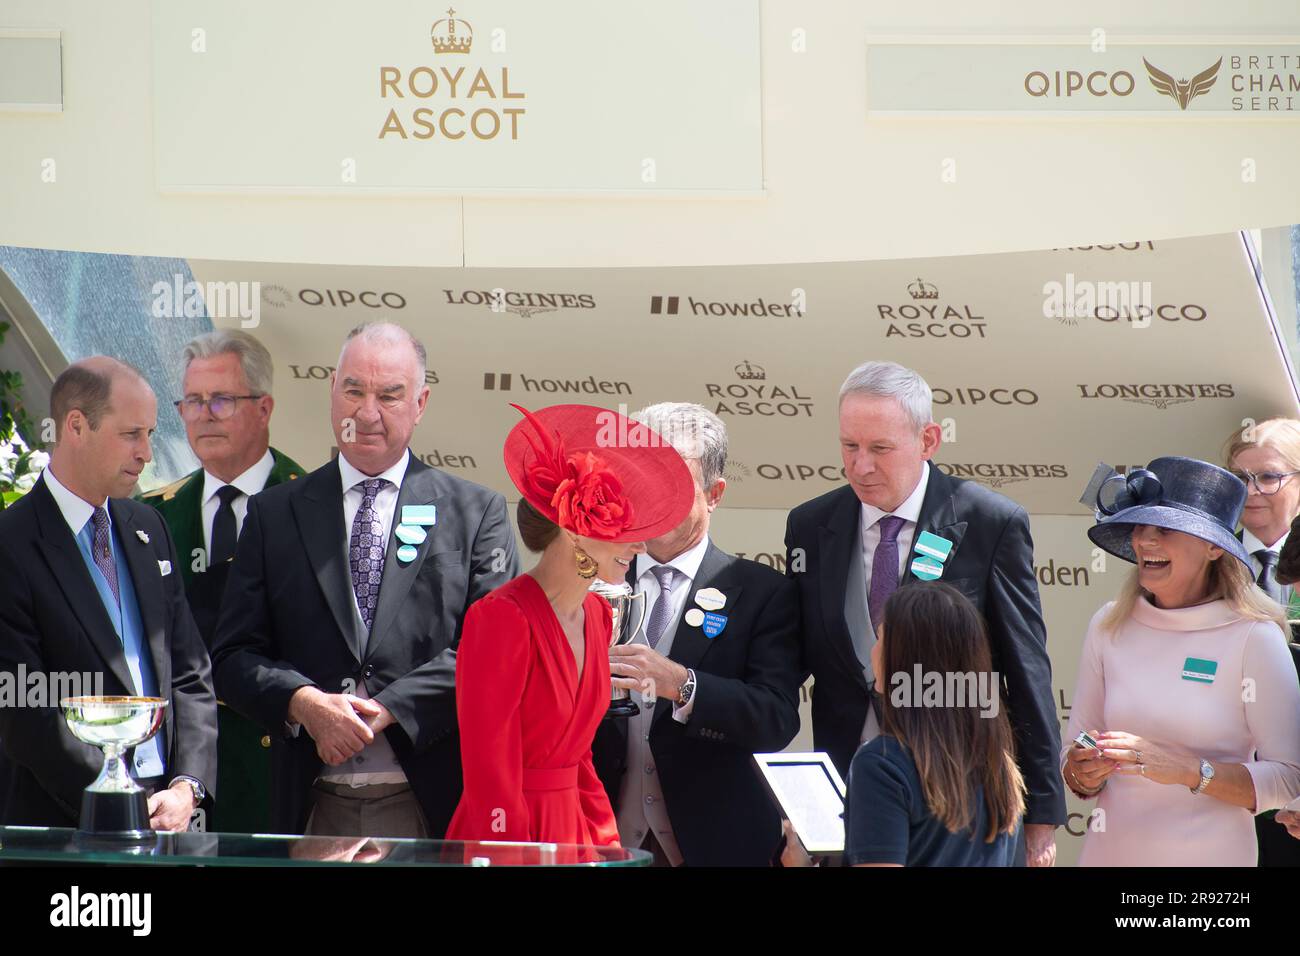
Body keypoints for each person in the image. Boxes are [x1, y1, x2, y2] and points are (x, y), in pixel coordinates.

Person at [212, 322, 519, 837]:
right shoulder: (274, 514)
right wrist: (305, 703)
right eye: (353, 390)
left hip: (430, 800)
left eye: (390, 395)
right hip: (307, 803)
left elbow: (495, 652)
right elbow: (233, 655)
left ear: (421, 403)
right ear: (332, 390)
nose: (367, 412)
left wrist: (390, 708)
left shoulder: (475, 512)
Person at [783, 361, 1064, 866]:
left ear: (928, 440)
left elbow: (1026, 671)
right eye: (849, 446)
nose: (860, 466)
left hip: (959, 794)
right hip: (847, 785)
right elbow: (794, 657)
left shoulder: (988, 522)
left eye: (880, 449)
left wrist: (1041, 811)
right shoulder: (810, 524)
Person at [446, 402, 695, 847]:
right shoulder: (501, 617)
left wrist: (605, 845)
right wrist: (510, 854)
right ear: (576, 530)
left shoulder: (598, 616)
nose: (639, 543)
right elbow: (489, 773)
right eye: (622, 526)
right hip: (510, 835)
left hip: (575, 835)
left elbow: (581, 761)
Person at [0, 357, 217, 829]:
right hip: (66, 830)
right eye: (131, 434)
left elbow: (188, 671)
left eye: (150, 435)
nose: (146, 453)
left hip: (167, 819)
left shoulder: (149, 528)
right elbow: (23, 706)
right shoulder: (11, 543)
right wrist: (119, 803)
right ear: (76, 426)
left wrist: (188, 787)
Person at [590, 402, 802, 866]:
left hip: (714, 844)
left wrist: (686, 687)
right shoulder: (592, 583)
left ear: (715, 492)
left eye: (673, 483)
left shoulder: (764, 592)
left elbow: (777, 719)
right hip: (599, 840)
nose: (654, 498)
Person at [1063, 457, 1300, 866]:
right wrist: (1080, 770)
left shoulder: (1255, 636)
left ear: (1213, 547)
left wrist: (1184, 769)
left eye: (1165, 530)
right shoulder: (1108, 623)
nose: (1145, 541)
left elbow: (1288, 778)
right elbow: (1075, 748)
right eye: (1140, 527)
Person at [140, 329, 306, 834]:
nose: (204, 414)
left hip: (281, 768)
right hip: (179, 780)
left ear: (264, 407)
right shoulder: (150, 517)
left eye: (222, 399)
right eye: (192, 401)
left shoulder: (316, 507)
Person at [784, 582, 1024, 866]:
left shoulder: (881, 764)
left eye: (881, 637)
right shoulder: (1000, 766)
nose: (873, 651)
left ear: (906, 659)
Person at [1222, 417, 1300, 865]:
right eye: (1239, 479)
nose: (1251, 491)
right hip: (1227, 786)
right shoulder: (1204, 559)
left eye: (1268, 477)